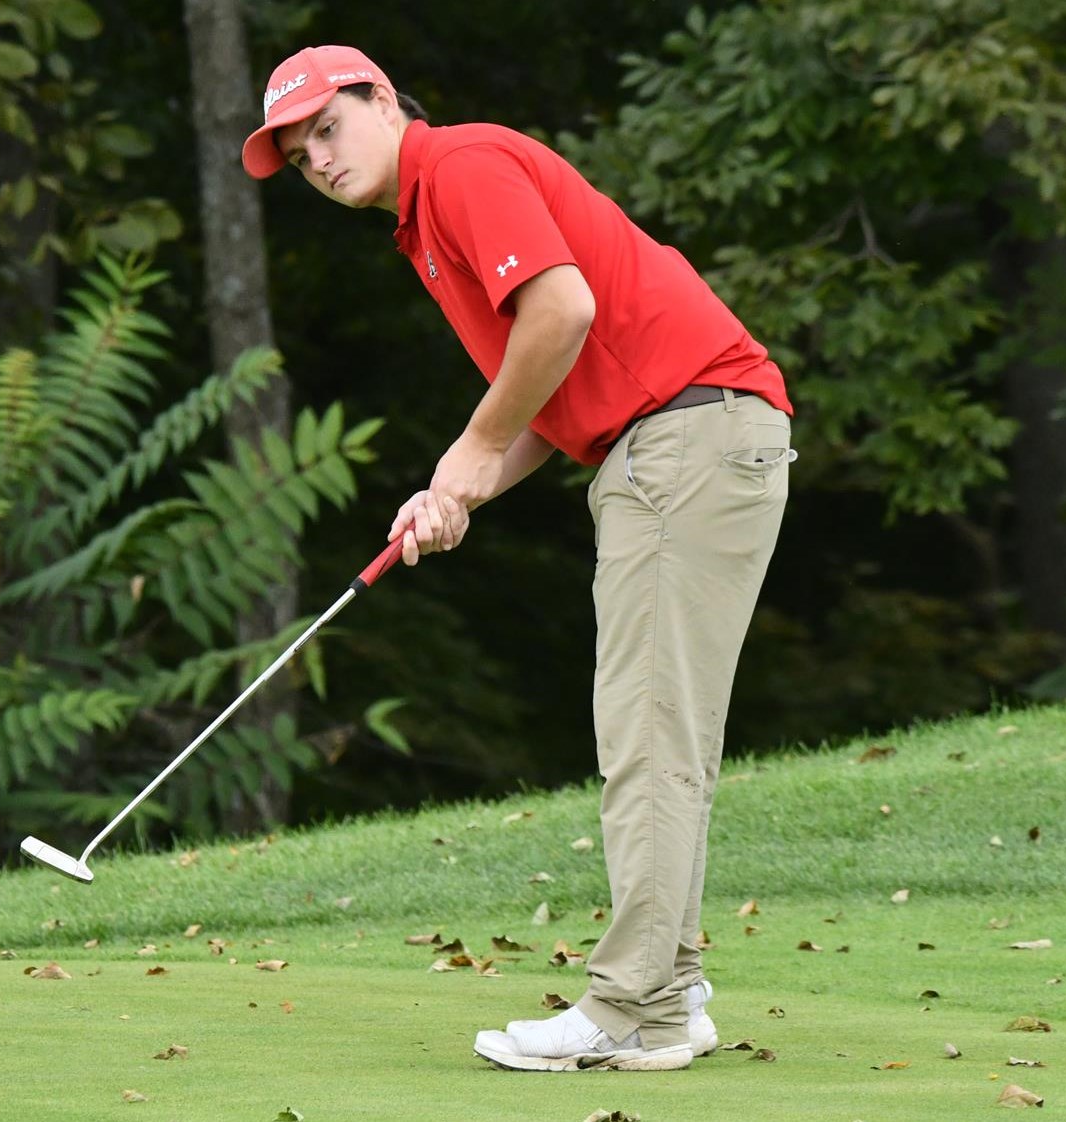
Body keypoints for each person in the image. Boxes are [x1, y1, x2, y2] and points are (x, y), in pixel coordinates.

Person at [242, 45, 796, 1073]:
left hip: (686, 434)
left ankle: (628, 1006)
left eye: (326, 127)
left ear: (380, 99)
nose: (316, 160)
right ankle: (665, 1000)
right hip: (681, 439)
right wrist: (458, 492)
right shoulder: (424, 225)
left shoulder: (456, 167)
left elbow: (563, 313)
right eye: (295, 151)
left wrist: (473, 448)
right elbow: (544, 385)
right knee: (660, 733)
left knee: (646, 734)